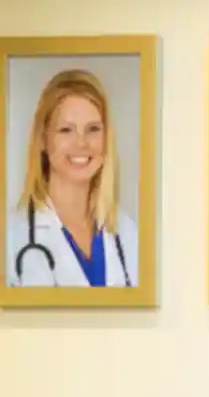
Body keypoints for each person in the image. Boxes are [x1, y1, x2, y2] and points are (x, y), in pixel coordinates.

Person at [6, 69, 138, 288]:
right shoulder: (11, 236)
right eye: (66, 130)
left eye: (93, 129)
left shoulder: (127, 233)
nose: (82, 143)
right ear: (42, 139)